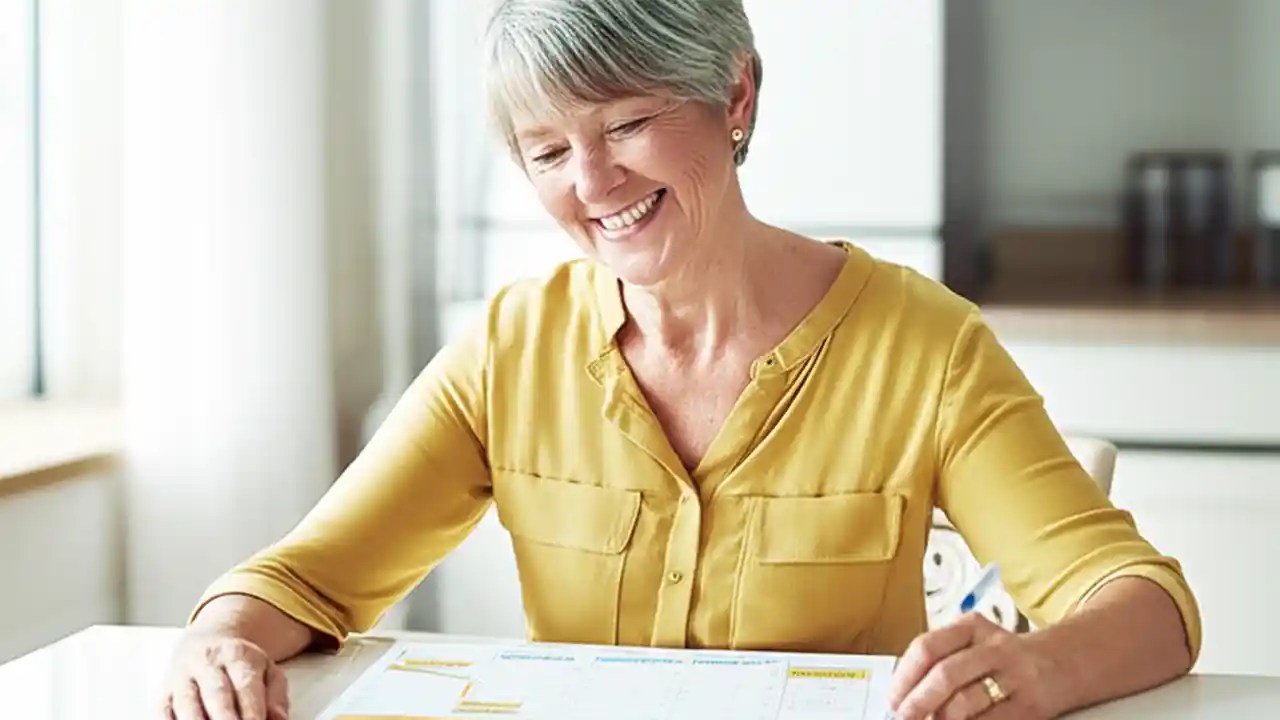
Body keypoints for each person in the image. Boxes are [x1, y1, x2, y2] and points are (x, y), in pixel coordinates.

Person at [162, 1, 1200, 718]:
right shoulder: (508, 350)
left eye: (628, 123)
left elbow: (1141, 603)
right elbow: (299, 582)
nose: (593, 181)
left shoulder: (922, 346)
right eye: (548, 151)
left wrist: (1037, 666)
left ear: (734, 98)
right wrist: (217, 642)